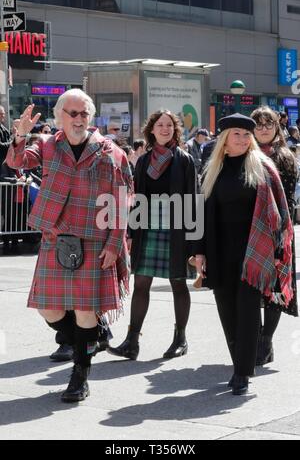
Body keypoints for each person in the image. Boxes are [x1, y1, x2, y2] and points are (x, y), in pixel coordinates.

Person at [6, 89, 133, 403]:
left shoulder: (109, 152)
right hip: (55, 239)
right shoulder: (47, 146)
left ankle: (80, 375)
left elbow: (121, 201)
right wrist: (19, 135)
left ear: (90, 117)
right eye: (72, 113)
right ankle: (90, 337)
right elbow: (16, 161)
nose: (79, 119)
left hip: (94, 240)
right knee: (48, 308)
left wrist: (115, 244)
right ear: (59, 117)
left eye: (83, 114)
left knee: (84, 313)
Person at [195, 113, 294, 395]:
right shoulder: (212, 169)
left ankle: (242, 371)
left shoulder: (263, 168)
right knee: (227, 309)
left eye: (246, 134)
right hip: (220, 249)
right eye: (236, 134)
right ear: (224, 140)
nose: (242, 138)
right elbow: (201, 215)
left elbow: (280, 213)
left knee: (248, 309)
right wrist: (199, 252)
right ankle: (238, 359)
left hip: (254, 250)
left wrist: (277, 249)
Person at [107, 109, 198, 361]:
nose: (165, 129)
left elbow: (193, 200)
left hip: (177, 228)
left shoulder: (185, 159)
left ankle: (180, 339)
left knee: (178, 282)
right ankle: (132, 342)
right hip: (148, 227)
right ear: (152, 129)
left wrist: (195, 241)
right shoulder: (144, 161)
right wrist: (131, 232)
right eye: (160, 125)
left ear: (175, 129)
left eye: (169, 125)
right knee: (142, 283)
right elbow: (136, 200)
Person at [251, 106, 298, 365]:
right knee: (253, 288)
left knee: (275, 290)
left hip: (278, 232)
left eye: (269, 124)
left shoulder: (284, 156)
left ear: (276, 127)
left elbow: (288, 201)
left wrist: (279, 230)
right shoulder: (245, 153)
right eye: (259, 125)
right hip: (250, 232)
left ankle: (265, 340)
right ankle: (258, 339)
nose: (265, 129)